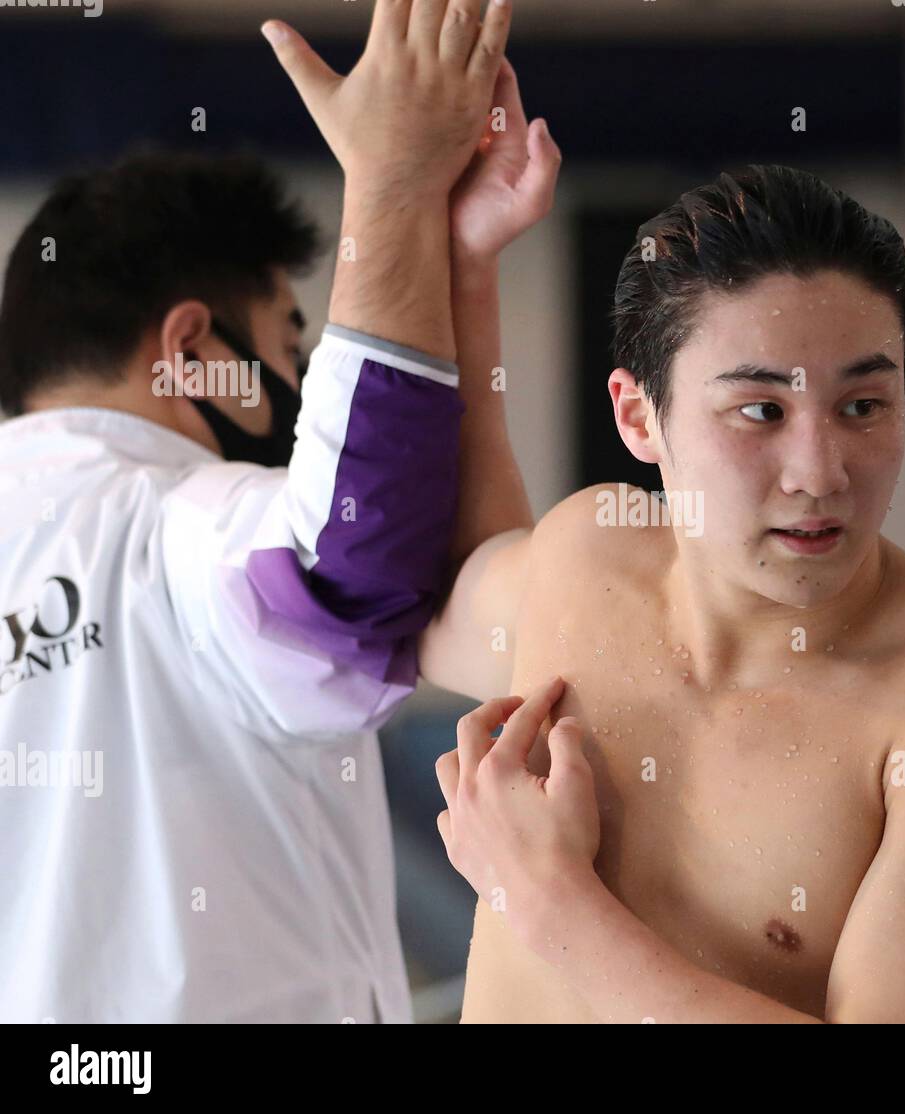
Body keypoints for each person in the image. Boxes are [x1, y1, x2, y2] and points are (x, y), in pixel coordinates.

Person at [423, 164, 905, 1023]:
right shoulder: (586, 554)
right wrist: (459, 256)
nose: (820, 474)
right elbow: (435, 588)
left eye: (862, 406)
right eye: (759, 412)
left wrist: (548, 901)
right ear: (639, 420)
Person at [0, 0, 556, 1022]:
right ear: (195, 350)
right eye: (292, 352)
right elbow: (353, 566)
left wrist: (456, 266)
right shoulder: (166, 526)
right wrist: (388, 187)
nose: (300, 389)